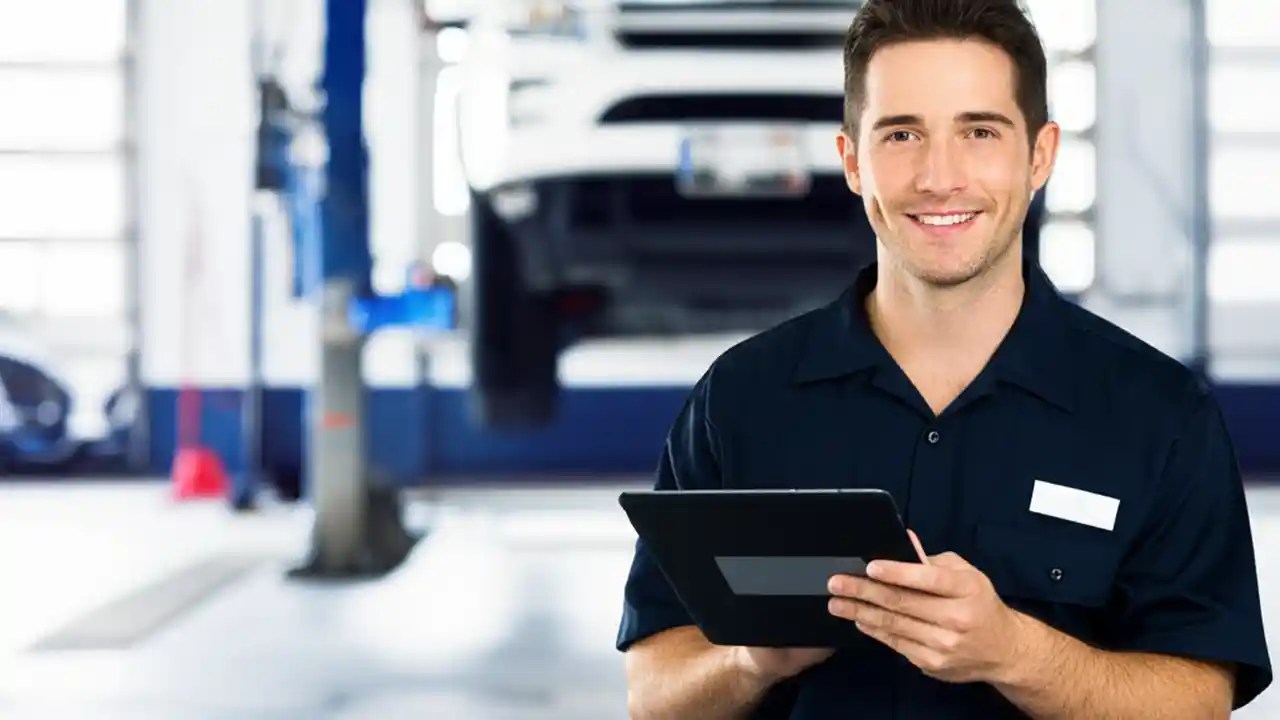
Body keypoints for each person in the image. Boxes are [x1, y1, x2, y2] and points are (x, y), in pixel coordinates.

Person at [616, 0, 1273, 717]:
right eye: (902, 134)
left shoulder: (1160, 414)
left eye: (979, 132)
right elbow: (655, 696)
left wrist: (1016, 653)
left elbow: (1199, 702)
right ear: (851, 161)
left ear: (1040, 156)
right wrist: (750, 660)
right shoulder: (739, 402)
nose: (939, 176)